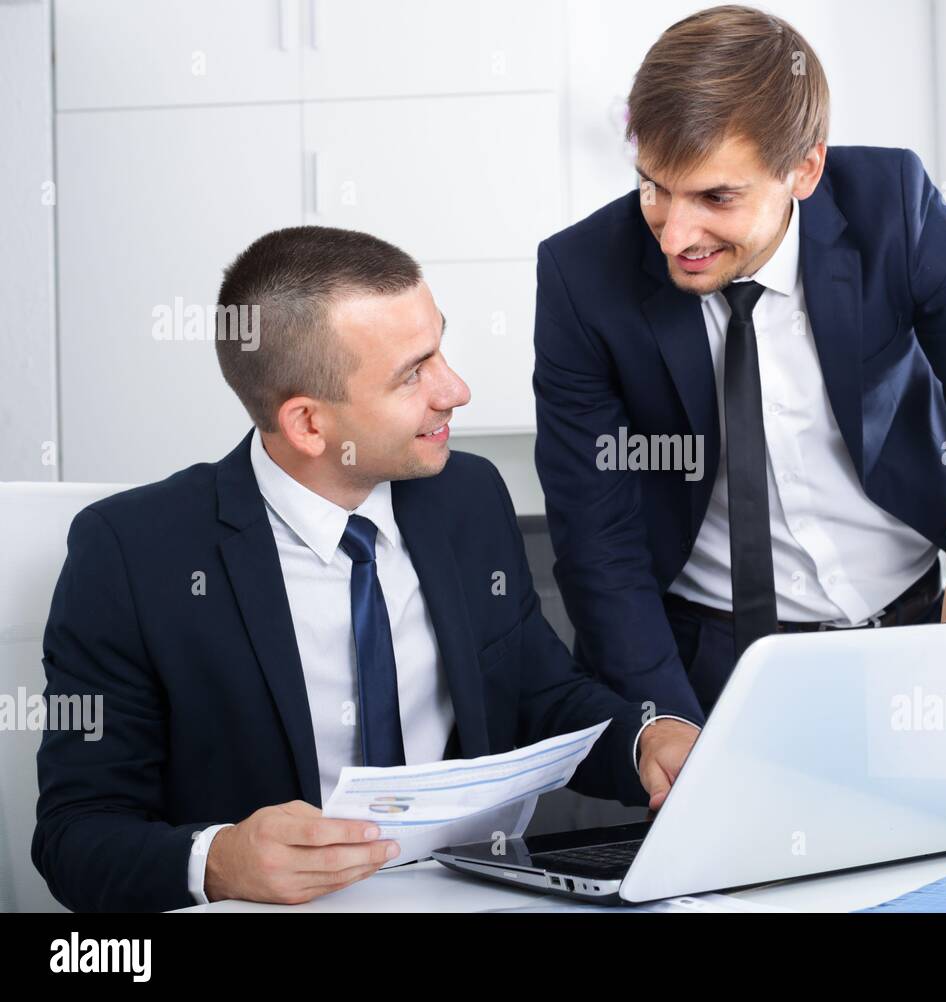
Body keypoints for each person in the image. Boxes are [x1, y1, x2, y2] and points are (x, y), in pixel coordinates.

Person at [33, 226, 698, 912]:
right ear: (308, 425)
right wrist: (220, 860)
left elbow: (539, 695)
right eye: (413, 373)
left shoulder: (465, 496)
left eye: (441, 346)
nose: (456, 390)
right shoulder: (132, 553)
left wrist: (647, 736)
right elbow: (75, 836)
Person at [532, 5, 946, 720]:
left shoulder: (894, 209)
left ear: (804, 169)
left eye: (715, 197)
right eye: (655, 187)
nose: (674, 235)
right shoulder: (583, 275)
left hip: (923, 630)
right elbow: (596, 541)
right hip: (709, 667)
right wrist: (664, 721)